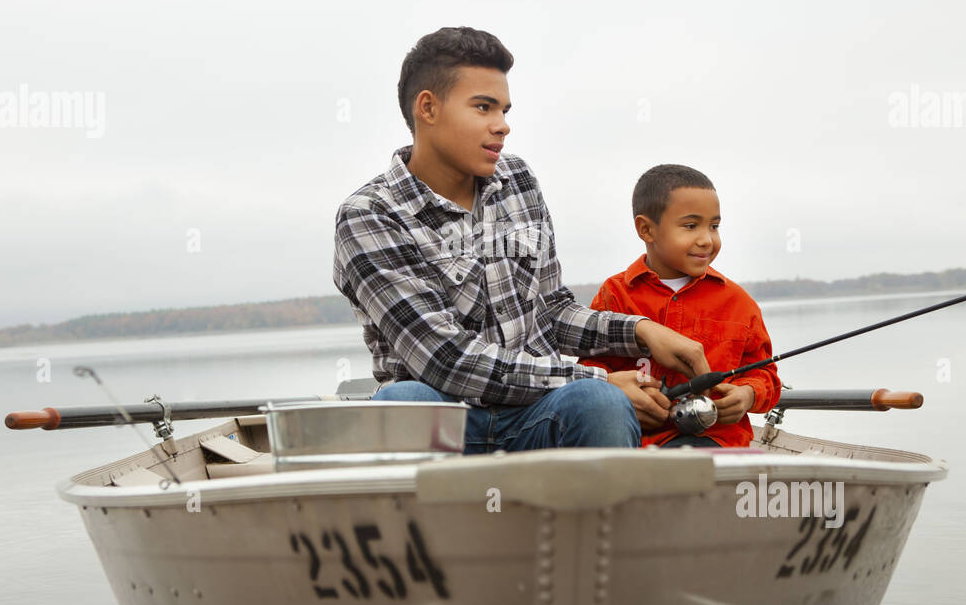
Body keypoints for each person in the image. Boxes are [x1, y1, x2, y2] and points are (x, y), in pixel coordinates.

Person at [332, 27, 710, 454]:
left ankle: (602, 521)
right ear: (428, 108)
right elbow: (446, 360)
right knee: (403, 403)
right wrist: (597, 378)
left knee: (598, 404)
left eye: (505, 109)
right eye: (483, 107)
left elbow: (551, 312)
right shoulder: (370, 214)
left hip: (539, 412)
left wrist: (641, 332)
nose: (503, 125)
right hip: (446, 421)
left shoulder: (517, 180)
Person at [579, 164, 782, 447]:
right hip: (634, 443)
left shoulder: (739, 302)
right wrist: (618, 393)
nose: (706, 239)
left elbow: (766, 376)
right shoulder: (614, 295)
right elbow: (590, 368)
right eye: (690, 226)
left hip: (717, 442)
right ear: (646, 229)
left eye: (714, 226)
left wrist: (748, 394)